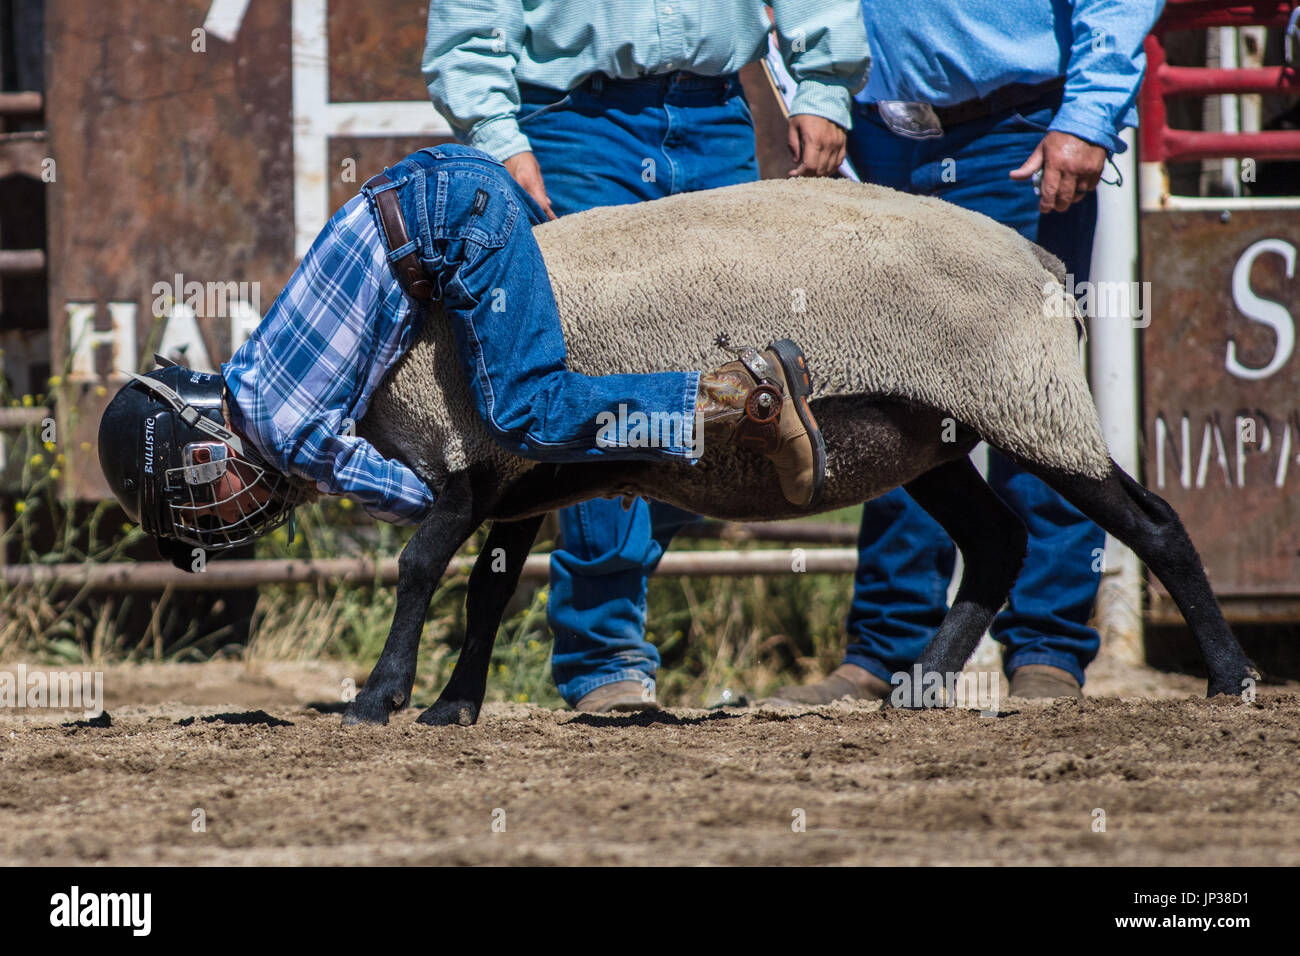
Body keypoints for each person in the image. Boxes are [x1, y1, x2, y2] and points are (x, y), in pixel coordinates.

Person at [424, 1, 871, 712]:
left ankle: (616, 596)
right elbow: (470, 17)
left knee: (725, 377)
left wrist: (823, 88)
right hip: (577, 121)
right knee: (604, 371)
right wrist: (497, 135)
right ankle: (605, 651)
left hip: (718, 111)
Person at [97, 146, 825, 558]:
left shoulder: (284, 433)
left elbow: (423, 501)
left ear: (204, 445)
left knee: (527, 414)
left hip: (451, 219)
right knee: (531, 412)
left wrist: (346, 485)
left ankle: (739, 398)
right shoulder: (253, 374)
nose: (219, 523)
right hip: (436, 193)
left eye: (200, 503)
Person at [770, 0, 1162, 705]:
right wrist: (812, 94)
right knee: (891, 401)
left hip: (1014, 135)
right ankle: (889, 650)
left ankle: (1046, 647)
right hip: (870, 139)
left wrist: (1089, 112)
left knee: (1029, 396)